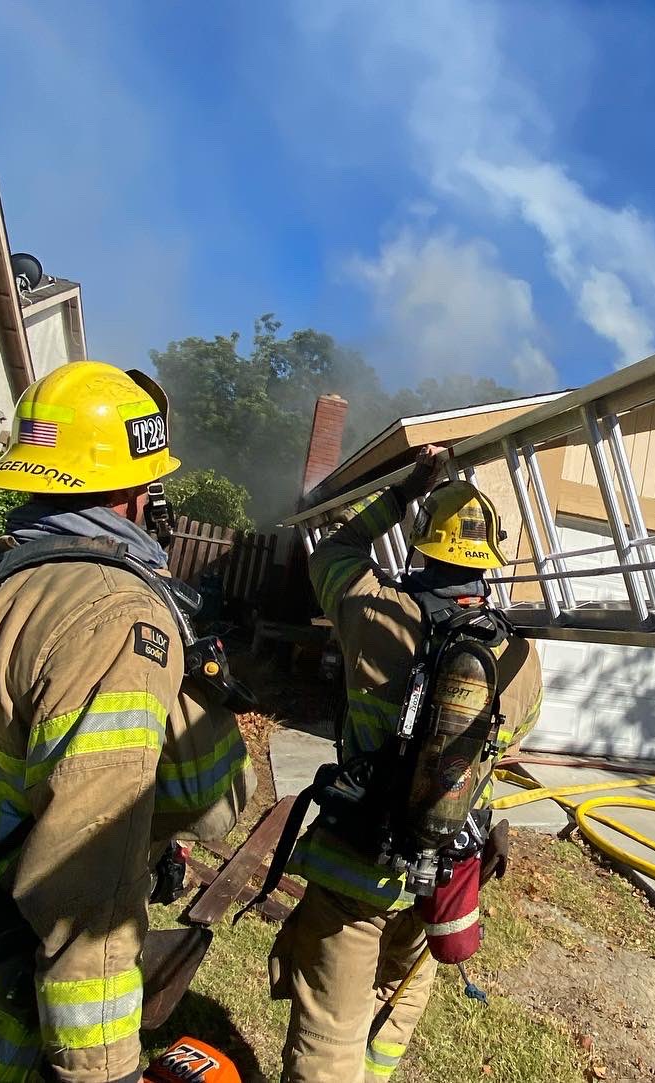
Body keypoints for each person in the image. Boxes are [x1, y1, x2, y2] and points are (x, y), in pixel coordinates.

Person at [0, 361, 254, 1083]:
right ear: (136, 490)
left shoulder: (4, 574)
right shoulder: (115, 615)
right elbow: (90, 874)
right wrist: (103, 1069)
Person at [275, 446, 543, 1083]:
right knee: (394, 1002)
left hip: (354, 866)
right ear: (491, 564)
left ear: (423, 549)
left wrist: (408, 491)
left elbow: (333, 551)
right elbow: (495, 760)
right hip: (444, 872)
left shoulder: (374, 613)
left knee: (327, 1035)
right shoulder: (524, 662)